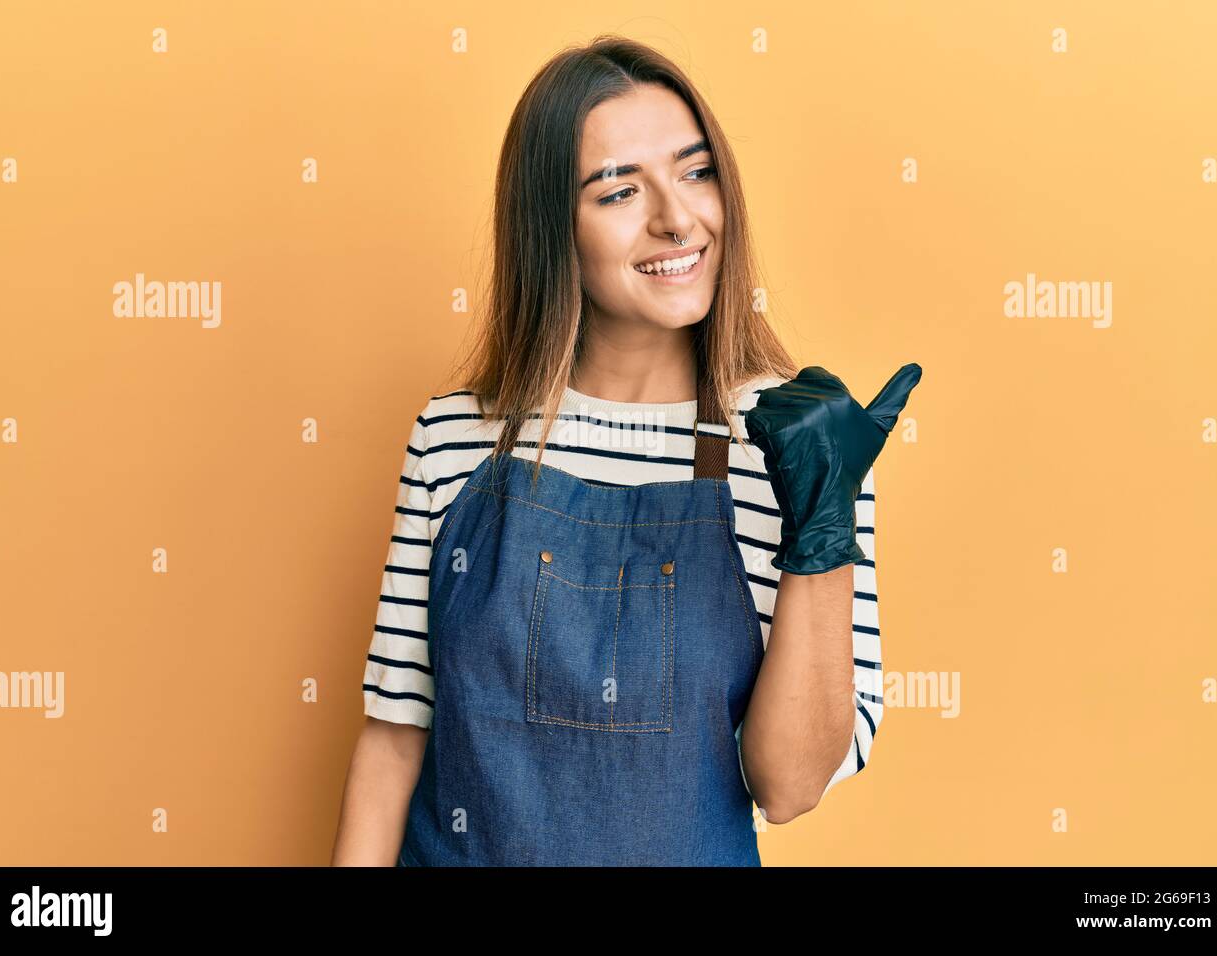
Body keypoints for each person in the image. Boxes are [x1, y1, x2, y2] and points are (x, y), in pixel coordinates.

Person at [331, 35, 919, 867]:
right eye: (617, 191)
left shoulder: (796, 449)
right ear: (550, 228)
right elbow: (395, 739)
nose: (677, 217)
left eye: (696, 170)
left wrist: (819, 525)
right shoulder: (453, 438)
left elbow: (787, 788)